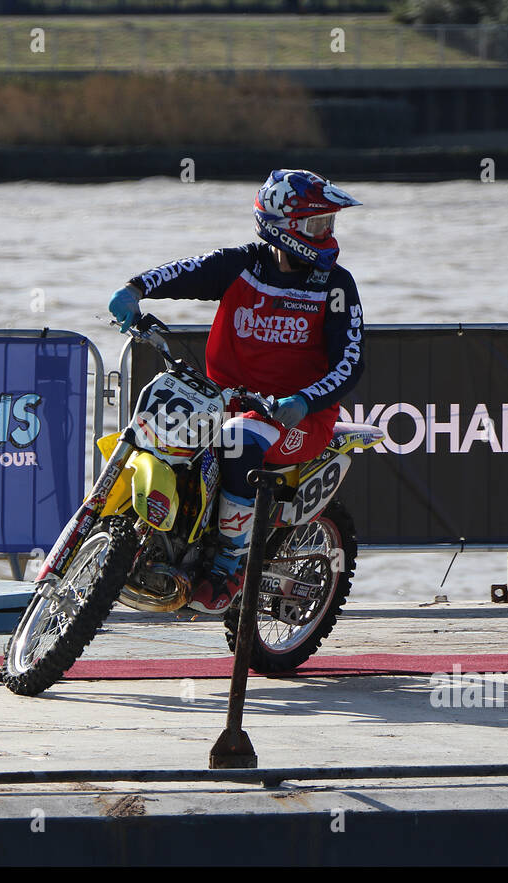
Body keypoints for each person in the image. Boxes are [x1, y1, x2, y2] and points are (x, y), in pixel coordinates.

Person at [108, 169, 366, 613]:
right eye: (316, 224)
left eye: (328, 224)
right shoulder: (244, 264)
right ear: (283, 226)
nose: (326, 233)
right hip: (224, 400)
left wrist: (303, 400)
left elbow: (350, 362)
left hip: (299, 416)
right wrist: (136, 288)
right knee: (164, 426)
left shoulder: (336, 286)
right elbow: (187, 271)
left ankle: (230, 564)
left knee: (238, 438)